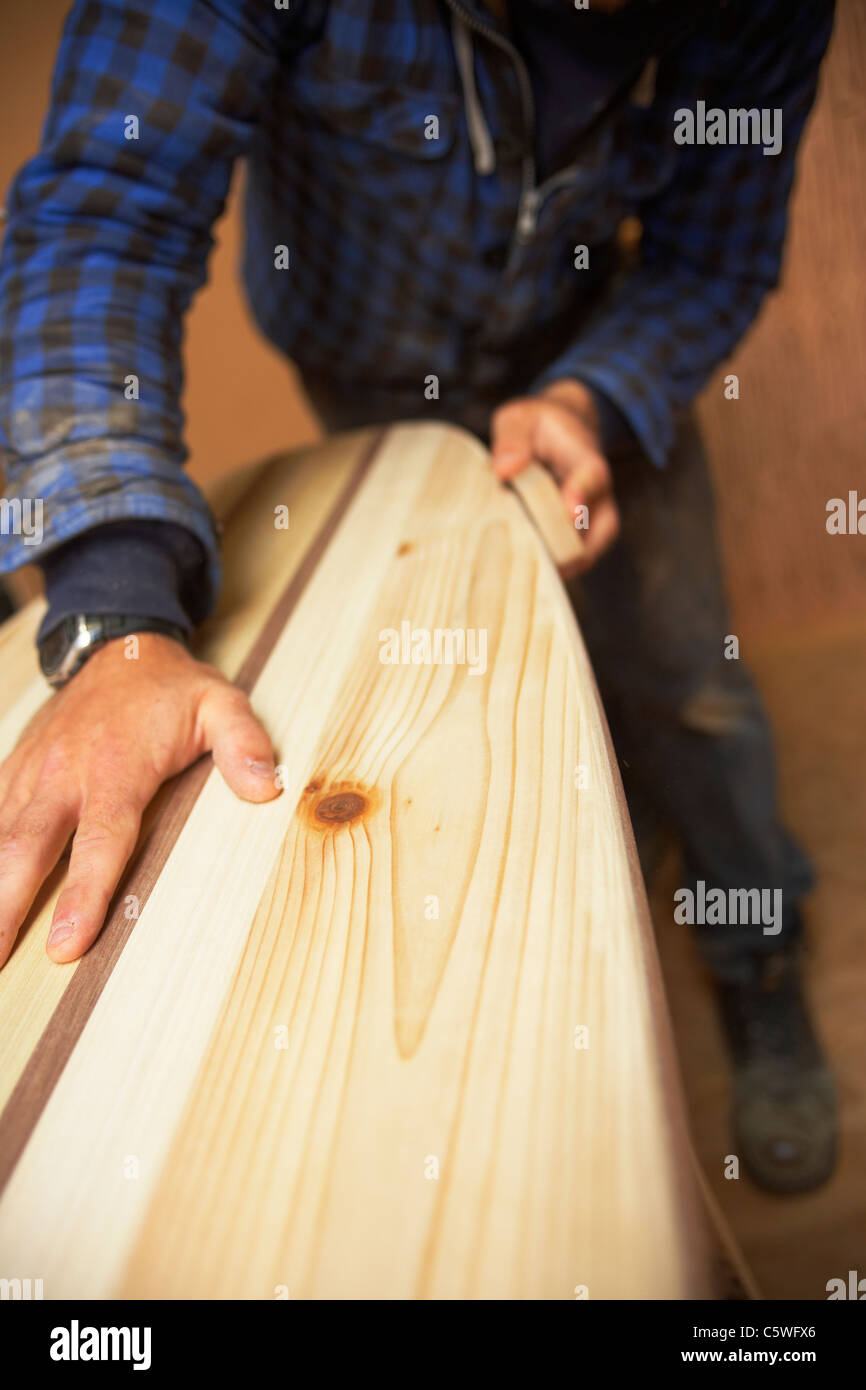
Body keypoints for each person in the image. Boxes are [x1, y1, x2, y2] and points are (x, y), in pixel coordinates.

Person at [0, 0, 837, 1191]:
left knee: (685, 678)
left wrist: (596, 396)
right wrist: (114, 610)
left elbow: (715, 257)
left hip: (596, 336)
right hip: (372, 365)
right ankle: (609, 833)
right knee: (462, 679)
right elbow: (104, 215)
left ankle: (753, 950)